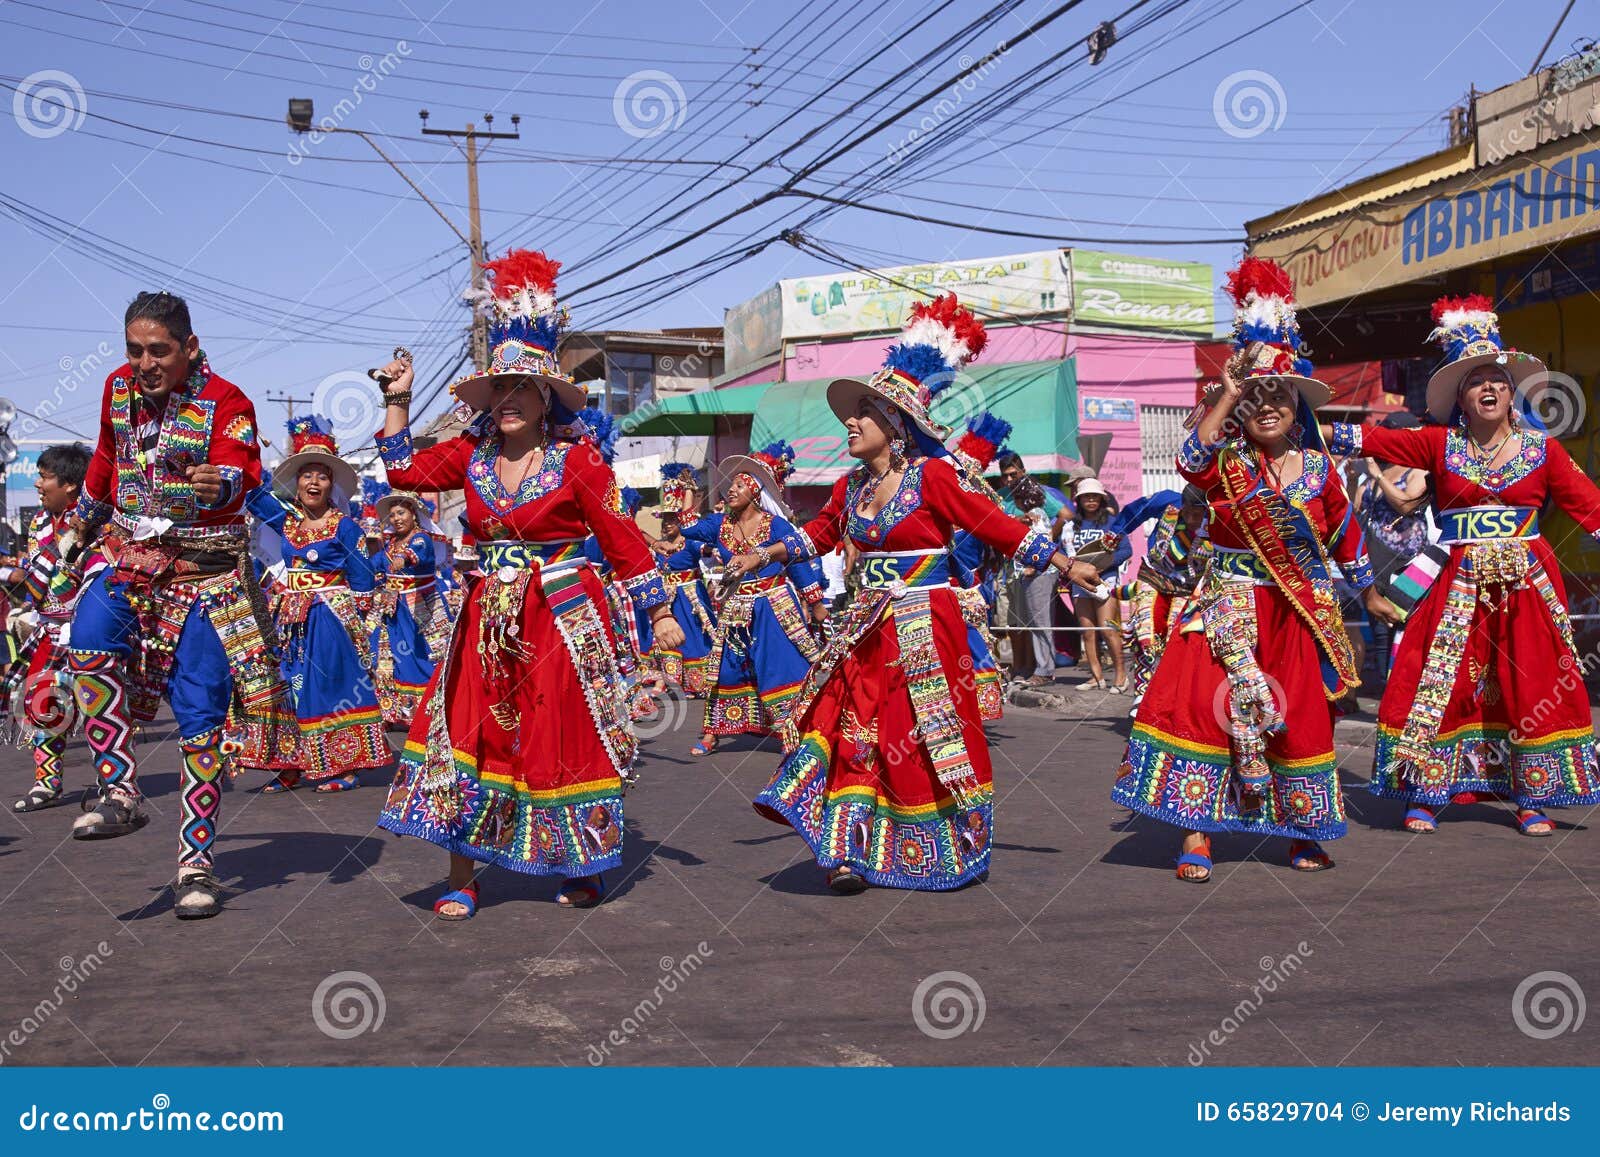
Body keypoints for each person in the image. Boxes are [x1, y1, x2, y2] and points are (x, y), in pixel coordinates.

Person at [730, 295, 1101, 892]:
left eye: (864, 414)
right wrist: (764, 553)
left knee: (917, 733)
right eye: (851, 414)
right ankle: (848, 849)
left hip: (924, 625)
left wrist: (1062, 560)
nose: (849, 422)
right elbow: (819, 535)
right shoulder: (851, 487)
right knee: (852, 725)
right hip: (863, 627)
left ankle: (936, 847)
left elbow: (994, 524)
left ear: (897, 426)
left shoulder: (933, 477)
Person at [372, 249, 681, 919]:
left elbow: (623, 536)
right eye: (499, 389)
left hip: (565, 612)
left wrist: (658, 612)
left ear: (546, 399)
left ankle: (584, 859)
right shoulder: (471, 454)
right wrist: (396, 399)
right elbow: (402, 471)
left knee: (567, 733)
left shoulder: (578, 461)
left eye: (522, 389)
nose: (508, 401)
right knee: (467, 728)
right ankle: (463, 872)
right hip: (486, 615)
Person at [1111, 258, 1400, 883]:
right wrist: (1233, 388)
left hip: (1294, 609)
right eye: (1257, 397)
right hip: (1226, 606)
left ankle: (1300, 831)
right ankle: (1197, 834)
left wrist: (1370, 595)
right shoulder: (1224, 463)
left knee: (1298, 719)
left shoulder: (1321, 471)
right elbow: (1189, 459)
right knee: (1204, 715)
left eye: (1279, 394)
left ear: (1298, 404)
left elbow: (1345, 538)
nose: (1268, 406)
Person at [1326, 295, 1600, 836]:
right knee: (1440, 680)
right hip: (1453, 582)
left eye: (1498, 378)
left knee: (1530, 683)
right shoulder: (1437, 444)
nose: (1490, 388)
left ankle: (1531, 797)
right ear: (1462, 397)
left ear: (1511, 390)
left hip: (1527, 584)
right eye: (1477, 382)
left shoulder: (1543, 451)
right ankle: (1426, 789)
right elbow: (1362, 437)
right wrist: (1285, 409)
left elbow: (1591, 507)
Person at [65, 290, 297, 919]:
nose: (145, 363)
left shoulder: (228, 400)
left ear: (189, 348)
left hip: (204, 576)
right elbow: (106, 463)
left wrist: (220, 480)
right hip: (130, 565)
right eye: (135, 350)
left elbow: (240, 470)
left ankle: (196, 867)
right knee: (84, 647)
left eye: (158, 351)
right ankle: (121, 791)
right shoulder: (117, 390)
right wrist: (77, 530)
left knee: (199, 717)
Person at [243, 417, 389, 793]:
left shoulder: (344, 526)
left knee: (329, 684)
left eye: (321, 477)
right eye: (305, 475)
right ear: (297, 483)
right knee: (287, 686)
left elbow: (360, 575)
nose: (312, 482)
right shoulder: (288, 521)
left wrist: (357, 620)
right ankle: (290, 765)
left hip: (329, 615)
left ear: (331, 485)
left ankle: (344, 764)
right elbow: (255, 497)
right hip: (289, 616)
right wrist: (247, 451)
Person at [667, 441, 825, 757]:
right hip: (736, 608)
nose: (731, 490)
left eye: (739, 485)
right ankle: (712, 732)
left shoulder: (775, 524)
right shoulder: (719, 525)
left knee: (779, 668)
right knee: (725, 668)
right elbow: (689, 528)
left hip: (773, 607)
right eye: (731, 485)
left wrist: (816, 602)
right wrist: (687, 493)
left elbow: (797, 560)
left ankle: (790, 730)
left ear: (754, 491)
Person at [0, 444, 109, 812]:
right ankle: (47, 782)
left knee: (100, 705)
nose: (37, 483)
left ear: (72, 486)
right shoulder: (39, 523)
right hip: (49, 630)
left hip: (90, 631)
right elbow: (34, 581)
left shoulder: (97, 523)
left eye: (46, 476)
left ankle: (114, 781)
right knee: (41, 704)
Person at [1113, 485, 1210, 710]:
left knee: (1174, 638)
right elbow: (1138, 510)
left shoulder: (1216, 520)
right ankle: (1142, 692)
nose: (1194, 519)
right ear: (1182, 507)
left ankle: (1167, 695)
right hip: (1154, 575)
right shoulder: (1168, 501)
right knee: (1146, 631)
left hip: (1186, 585)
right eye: (1189, 513)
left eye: (1199, 514)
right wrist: (1116, 531)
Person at [1353, 412, 1432, 682]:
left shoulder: (1418, 471)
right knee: (1382, 635)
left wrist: (1377, 476)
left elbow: (1407, 505)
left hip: (1412, 568)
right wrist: (1355, 478)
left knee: (1407, 632)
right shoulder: (1374, 476)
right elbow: (1355, 513)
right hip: (1377, 567)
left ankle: (1404, 694)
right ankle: (1388, 700)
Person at [949, 411, 1016, 721]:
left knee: (972, 649)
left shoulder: (983, 509)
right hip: (935, 586)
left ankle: (971, 710)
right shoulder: (939, 500)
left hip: (965, 591)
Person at [370, 490, 453, 726]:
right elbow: (373, 566)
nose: (396, 518)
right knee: (390, 657)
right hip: (393, 609)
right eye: (392, 515)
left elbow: (418, 553)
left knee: (424, 655)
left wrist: (404, 559)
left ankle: (431, 710)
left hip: (420, 608)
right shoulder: (390, 545)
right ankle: (399, 712)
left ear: (413, 514)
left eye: (401, 512)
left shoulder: (421, 538)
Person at [998, 452, 1067, 683]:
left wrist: (1037, 564)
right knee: (1025, 622)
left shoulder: (1036, 510)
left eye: (1013, 476)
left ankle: (1044, 671)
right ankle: (1030, 667)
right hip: (1019, 571)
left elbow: (1053, 528)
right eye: (1005, 477)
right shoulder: (1021, 507)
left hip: (1038, 572)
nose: (1009, 483)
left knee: (1039, 621)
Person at [652, 462, 718, 697]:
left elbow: (707, 550)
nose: (668, 524)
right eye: (665, 520)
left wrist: (716, 552)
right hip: (670, 599)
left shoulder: (689, 542)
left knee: (695, 636)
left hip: (691, 599)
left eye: (672, 520)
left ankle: (699, 682)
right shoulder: (659, 546)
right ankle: (668, 682)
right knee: (670, 637)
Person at [1059, 478, 1131, 692]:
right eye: (1085, 497)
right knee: (1087, 632)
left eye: (1094, 496)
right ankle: (1095, 676)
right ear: (1078, 500)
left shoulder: (1112, 523)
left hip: (1105, 581)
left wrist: (1103, 566)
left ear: (1101, 498)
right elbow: (1062, 553)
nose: (1090, 500)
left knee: (1108, 630)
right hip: (1079, 584)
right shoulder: (1070, 526)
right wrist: (1072, 568)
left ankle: (1121, 677)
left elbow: (1126, 550)